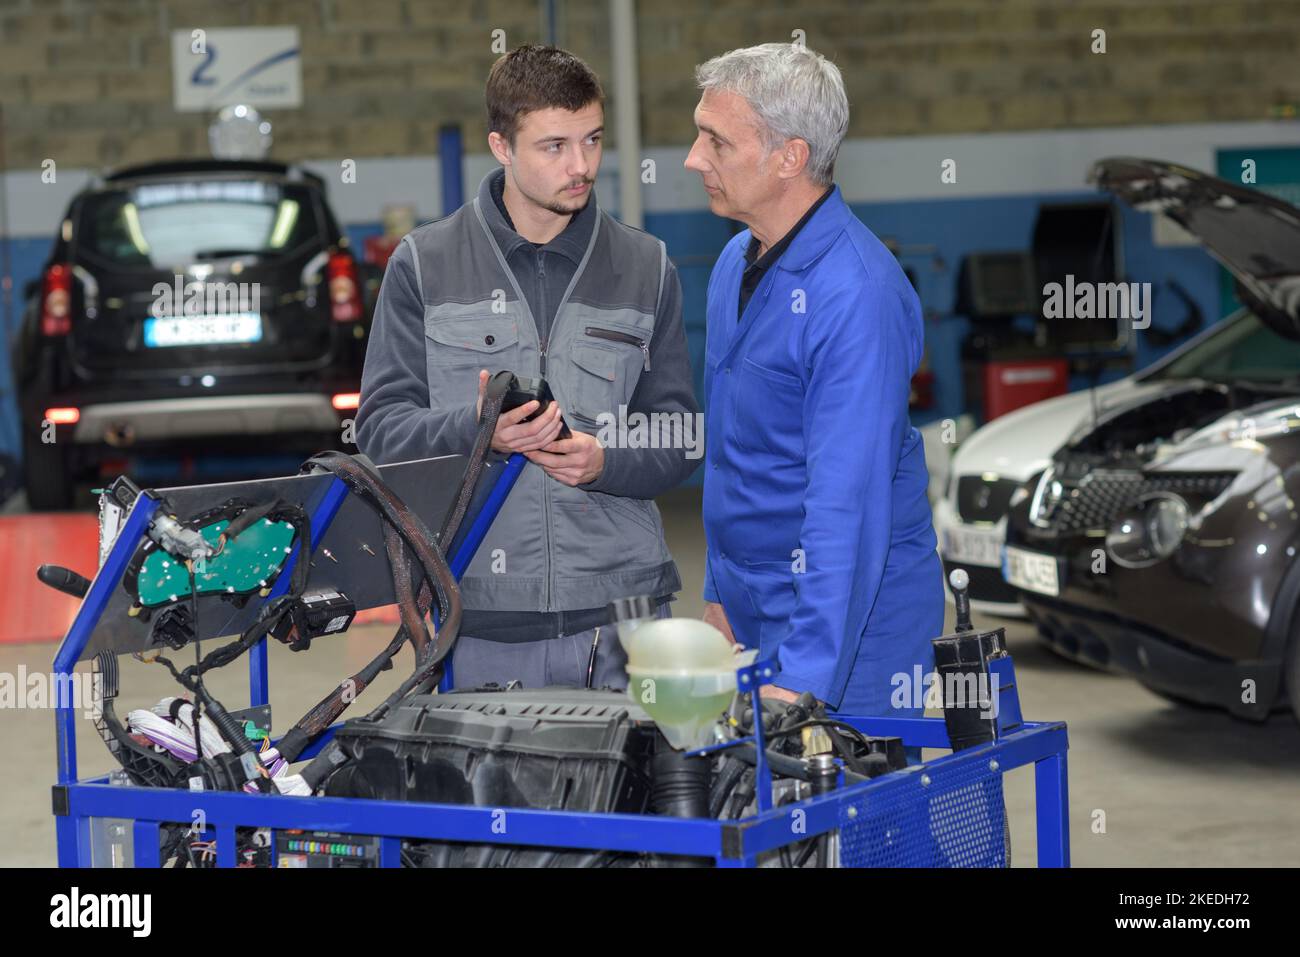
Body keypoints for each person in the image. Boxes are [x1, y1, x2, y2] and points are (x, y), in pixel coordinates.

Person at [357, 44, 699, 690]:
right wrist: (477, 430)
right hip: (480, 619)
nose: (581, 166)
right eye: (555, 146)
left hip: (624, 619)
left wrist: (608, 458)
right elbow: (380, 429)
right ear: (501, 146)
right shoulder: (423, 266)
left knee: (637, 794)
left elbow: (681, 432)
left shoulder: (646, 267)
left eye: (593, 140)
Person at [684, 43, 942, 717]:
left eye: (716, 141)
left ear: (789, 157)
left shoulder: (855, 294)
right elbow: (733, 455)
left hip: (854, 625)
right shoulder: (735, 262)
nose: (692, 158)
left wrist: (803, 673)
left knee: (852, 813)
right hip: (752, 605)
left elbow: (848, 503)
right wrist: (720, 592)